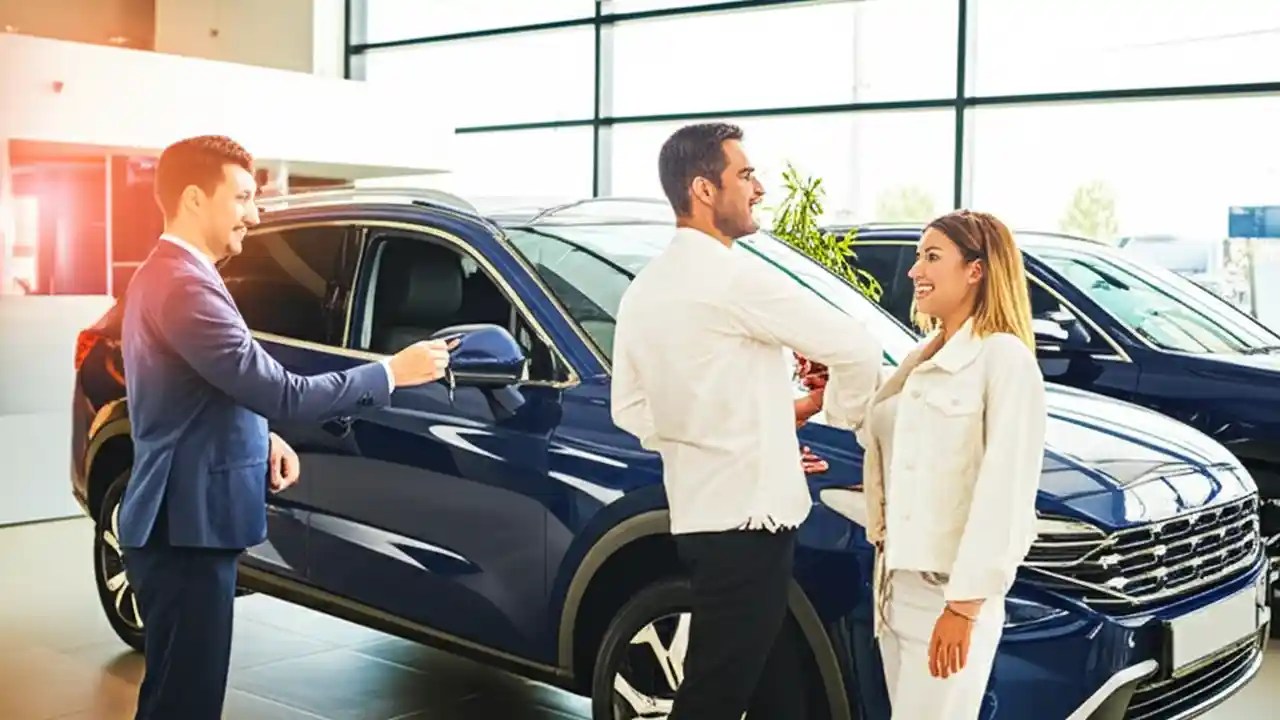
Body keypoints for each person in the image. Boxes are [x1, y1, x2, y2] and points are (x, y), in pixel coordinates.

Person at [118, 135, 454, 719]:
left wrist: (261, 437)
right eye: (243, 197)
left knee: (177, 695)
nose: (254, 213)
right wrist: (391, 373)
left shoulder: (179, 274)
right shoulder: (183, 284)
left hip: (185, 523)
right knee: (186, 703)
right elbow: (281, 391)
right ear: (195, 199)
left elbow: (204, 391)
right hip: (184, 530)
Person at [610, 122, 883, 720]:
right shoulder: (733, 278)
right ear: (704, 189)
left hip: (703, 518)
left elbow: (630, 410)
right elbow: (858, 349)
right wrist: (844, 414)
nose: (759, 188)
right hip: (750, 525)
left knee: (774, 694)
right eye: (746, 174)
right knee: (715, 696)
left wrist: (769, 424)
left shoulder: (645, 290)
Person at [826, 210, 1047, 719]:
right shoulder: (922, 358)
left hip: (948, 596)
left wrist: (964, 606)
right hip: (895, 591)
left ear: (976, 270)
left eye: (931, 256)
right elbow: (883, 441)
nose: (913, 270)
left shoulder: (1004, 360)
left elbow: (1006, 494)